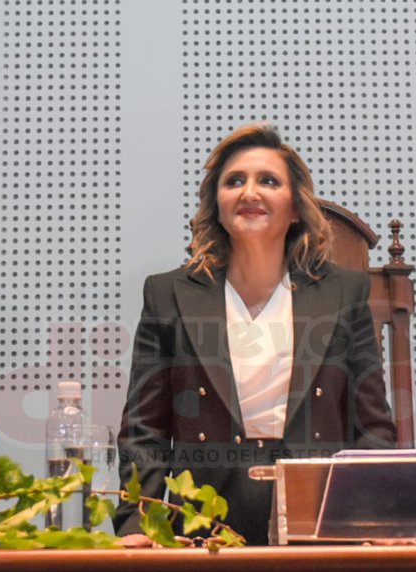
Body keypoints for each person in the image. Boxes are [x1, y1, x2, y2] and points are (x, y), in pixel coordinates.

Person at [114, 123, 397, 546]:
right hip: (202, 528)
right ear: (217, 204)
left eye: (268, 181)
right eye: (234, 182)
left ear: (296, 207)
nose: (249, 193)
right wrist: (141, 524)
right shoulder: (167, 293)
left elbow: (372, 427)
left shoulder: (344, 292)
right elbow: (144, 431)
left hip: (320, 521)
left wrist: (371, 517)